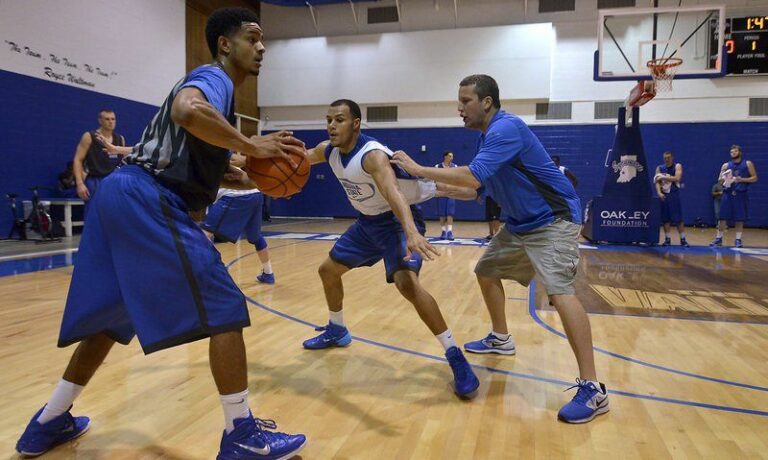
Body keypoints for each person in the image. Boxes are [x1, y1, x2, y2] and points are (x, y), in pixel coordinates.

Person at [15, 9, 307, 460]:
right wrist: (252, 145)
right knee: (226, 305)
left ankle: (49, 421)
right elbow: (186, 110)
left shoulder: (217, 104)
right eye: (253, 38)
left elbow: (191, 160)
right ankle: (242, 434)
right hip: (146, 198)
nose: (261, 47)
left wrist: (243, 173)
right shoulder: (214, 79)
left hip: (119, 196)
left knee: (110, 319)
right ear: (225, 44)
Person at [391, 74, 608, 424]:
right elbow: (474, 191)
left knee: (560, 291)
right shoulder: (488, 139)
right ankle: (501, 338)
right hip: (521, 223)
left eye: (466, 101)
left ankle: (593, 388)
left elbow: (472, 177)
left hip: (553, 219)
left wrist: (417, 168)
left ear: (487, 102)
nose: (459, 108)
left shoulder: (506, 129)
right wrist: (426, 189)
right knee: (486, 271)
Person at [301, 99, 480, 398]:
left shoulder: (372, 156)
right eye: (329, 119)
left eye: (339, 120)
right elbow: (298, 160)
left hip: (396, 221)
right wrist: (246, 158)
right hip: (367, 223)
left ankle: (455, 355)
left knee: (406, 283)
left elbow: (393, 192)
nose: (332, 125)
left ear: (356, 124)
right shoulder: (328, 150)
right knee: (327, 271)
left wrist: (411, 232)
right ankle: (337, 330)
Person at [202, 153, 275, 284]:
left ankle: (209, 273)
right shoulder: (220, 158)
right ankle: (268, 273)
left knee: (205, 233)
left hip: (235, 196)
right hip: (256, 194)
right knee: (255, 237)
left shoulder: (208, 159)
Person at [72, 109, 127, 218]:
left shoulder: (120, 139)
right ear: (100, 120)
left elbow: (124, 162)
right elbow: (77, 160)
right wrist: (80, 184)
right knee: (93, 215)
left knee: (114, 215)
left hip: (114, 182)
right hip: (95, 181)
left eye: (113, 119)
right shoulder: (89, 136)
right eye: (107, 119)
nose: (111, 122)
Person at [710, 145, 758, 248]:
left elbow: (754, 178)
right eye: (731, 152)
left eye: (735, 151)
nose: (733, 153)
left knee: (740, 218)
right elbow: (719, 181)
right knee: (722, 217)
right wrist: (724, 178)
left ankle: (738, 240)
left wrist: (741, 179)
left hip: (740, 193)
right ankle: (718, 239)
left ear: (740, 152)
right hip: (727, 193)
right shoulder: (726, 165)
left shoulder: (747, 164)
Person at [654, 151, 689, 247]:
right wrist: (659, 192)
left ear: (672, 157)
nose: (667, 159)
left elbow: (677, 178)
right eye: (665, 158)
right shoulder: (659, 168)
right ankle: (667, 239)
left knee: (678, 218)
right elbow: (657, 182)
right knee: (665, 219)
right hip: (664, 194)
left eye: (668, 157)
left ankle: (683, 239)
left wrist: (664, 177)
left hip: (673, 194)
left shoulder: (677, 166)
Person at [435, 150, 458, 240]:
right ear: (445, 157)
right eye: (450, 156)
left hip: (451, 193)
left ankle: (450, 231)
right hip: (441, 193)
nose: (452, 158)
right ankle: (443, 231)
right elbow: (434, 179)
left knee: (450, 213)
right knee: (442, 214)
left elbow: (457, 179)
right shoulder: (437, 167)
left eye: (452, 156)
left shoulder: (455, 167)